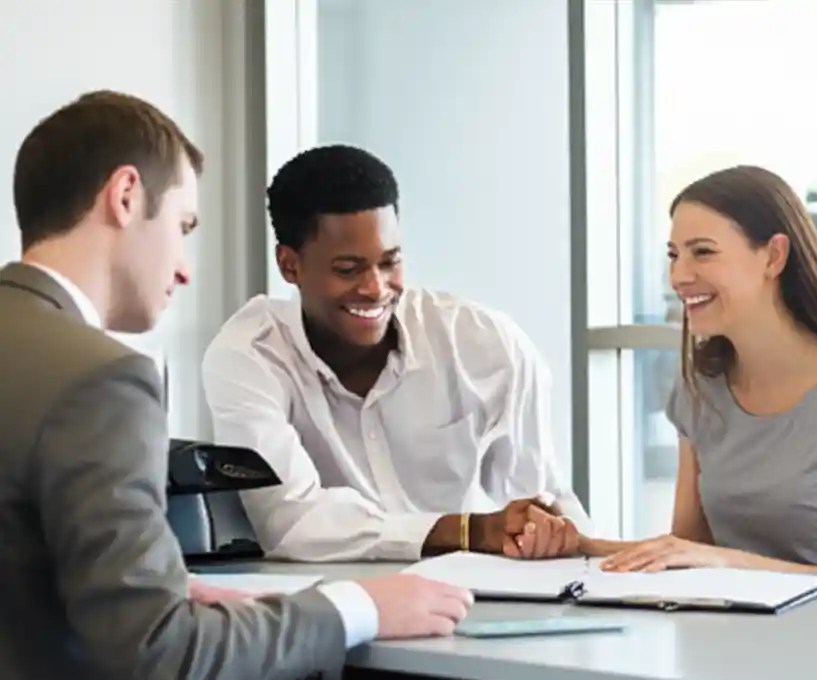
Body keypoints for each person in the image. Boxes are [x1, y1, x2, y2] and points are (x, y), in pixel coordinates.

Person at [0, 91, 474, 680]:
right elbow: (166, 662)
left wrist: (154, 593)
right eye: (183, 227)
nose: (184, 269)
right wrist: (359, 607)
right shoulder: (102, 380)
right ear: (125, 196)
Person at [202, 144, 588, 563]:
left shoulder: (486, 346)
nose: (375, 288)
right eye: (347, 270)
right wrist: (468, 530)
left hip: (481, 600)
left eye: (390, 262)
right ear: (289, 265)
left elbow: (541, 505)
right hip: (332, 608)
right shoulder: (249, 356)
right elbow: (290, 522)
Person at [590, 165, 817, 576]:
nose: (678, 276)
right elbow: (685, 552)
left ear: (774, 256)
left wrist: (729, 561)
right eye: (674, 255)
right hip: (726, 636)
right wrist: (576, 543)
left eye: (703, 252)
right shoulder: (701, 387)